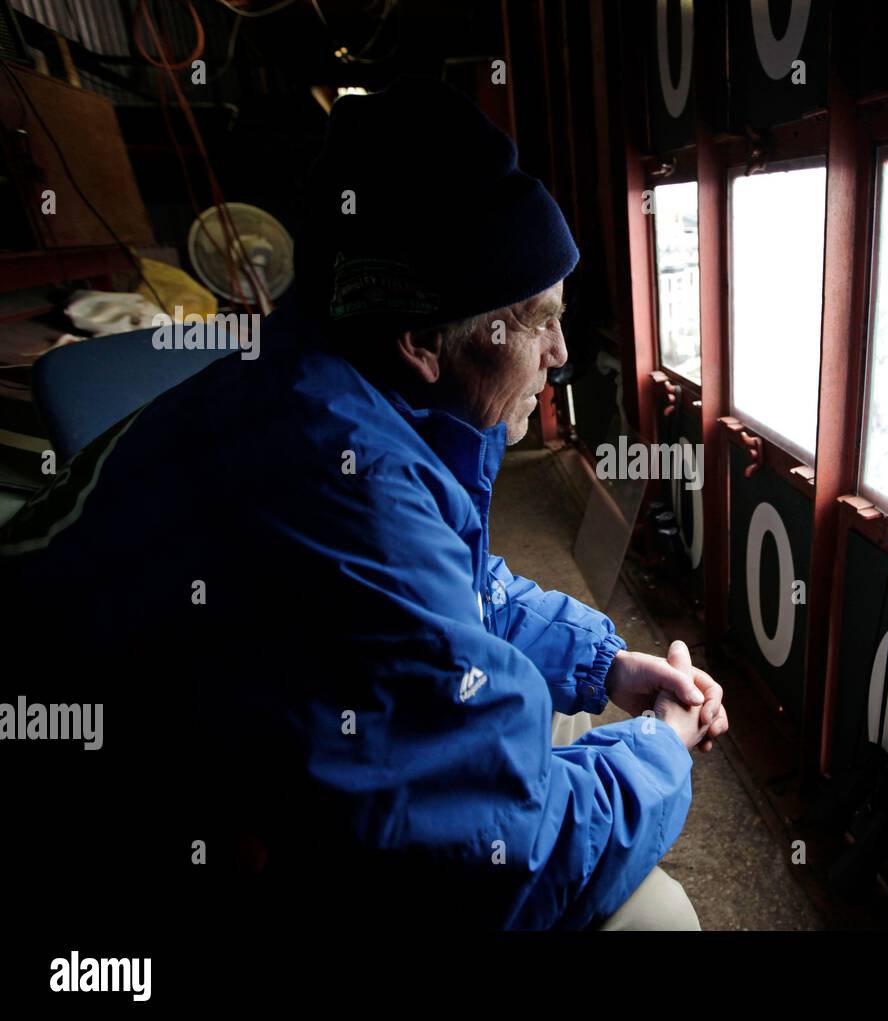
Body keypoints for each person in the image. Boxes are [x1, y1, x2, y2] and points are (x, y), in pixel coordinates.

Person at [0, 78, 727, 931]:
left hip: (184, 717)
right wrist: (660, 745)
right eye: (537, 323)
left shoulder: (338, 369)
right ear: (422, 341)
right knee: (658, 918)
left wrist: (601, 665)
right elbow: (519, 861)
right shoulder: (345, 482)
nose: (560, 355)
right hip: (106, 827)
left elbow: (450, 582)